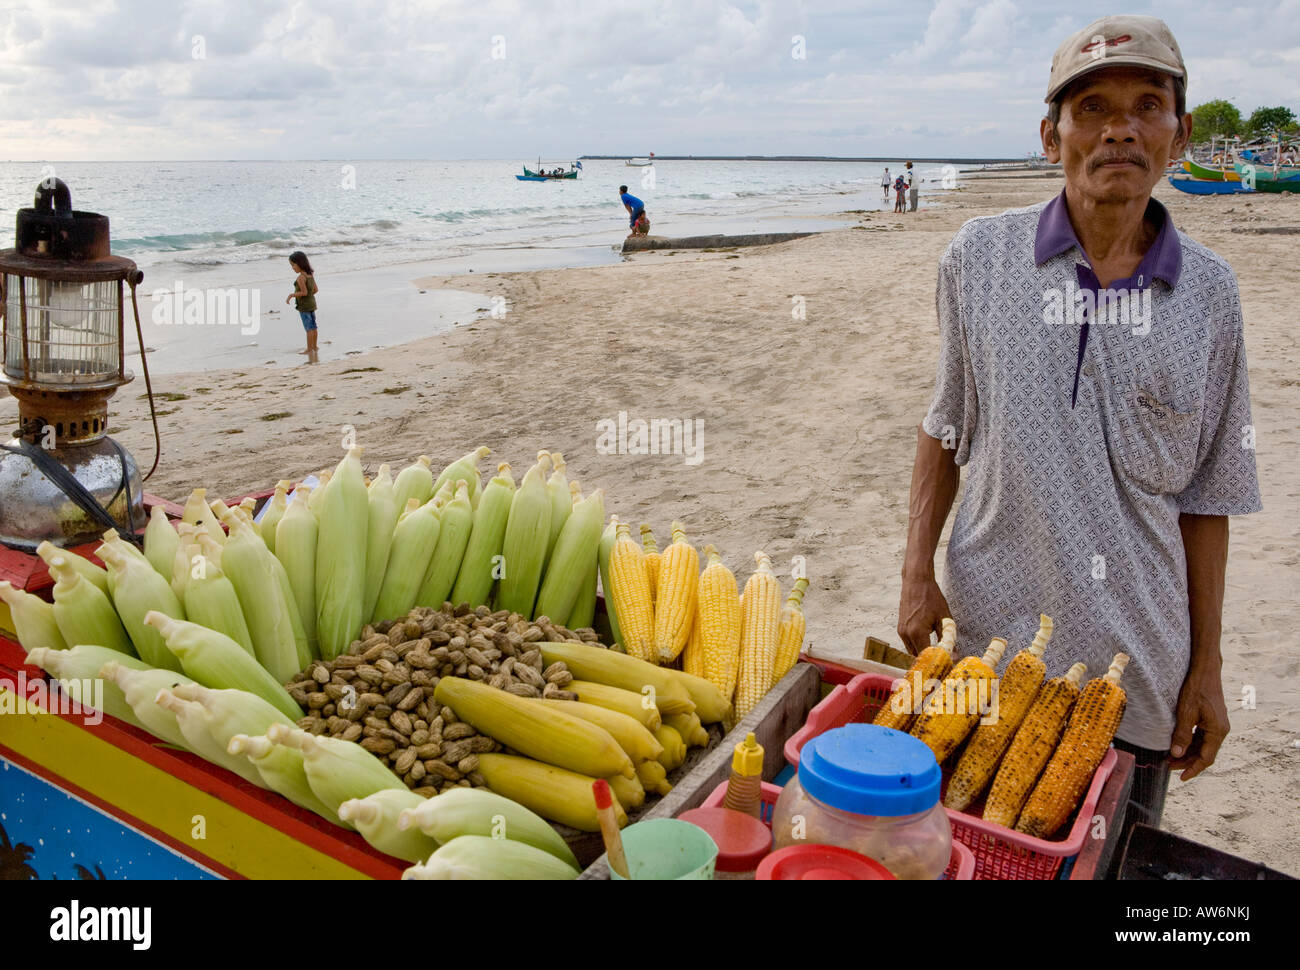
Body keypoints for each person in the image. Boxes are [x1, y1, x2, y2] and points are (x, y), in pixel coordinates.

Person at [897, 15, 1260, 841]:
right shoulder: (977, 257)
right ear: (1051, 134)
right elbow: (944, 423)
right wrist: (917, 573)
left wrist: (1207, 666)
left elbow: (1212, 492)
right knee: (967, 849)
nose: (1119, 128)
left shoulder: (1213, 293)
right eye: (1091, 107)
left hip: (1134, 672)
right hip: (985, 646)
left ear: (1181, 132)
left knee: (1106, 863)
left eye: (1147, 105)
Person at [285, 251, 318, 356]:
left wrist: (292, 295)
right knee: (313, 326)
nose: (292, 268)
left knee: (308, 328)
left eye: (293, 265)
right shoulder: (310, 275)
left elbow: (304, 292)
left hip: (304, 306)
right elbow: (315, 290)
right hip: (312, 304)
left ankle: (309, 349)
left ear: (300, 263)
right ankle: (314, 346)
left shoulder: (300, 278)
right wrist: (309, 296)